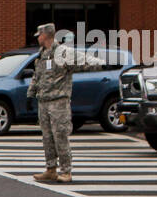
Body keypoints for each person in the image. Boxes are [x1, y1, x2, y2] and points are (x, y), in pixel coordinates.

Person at [28, 23, 103, 185]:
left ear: (46, 35)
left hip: (58, 102)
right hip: (44, 102)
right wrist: (31, 93)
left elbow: (85, 60)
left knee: (60, 136)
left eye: (39, 35)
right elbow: (37, 76)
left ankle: (66, 171)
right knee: (47, 137)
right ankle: (51, 169)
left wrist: (101, 63)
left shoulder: (63, 53)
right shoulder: (42, 54)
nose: (37, 38)